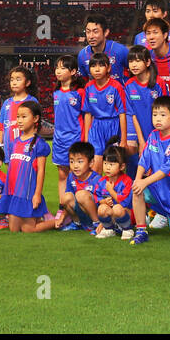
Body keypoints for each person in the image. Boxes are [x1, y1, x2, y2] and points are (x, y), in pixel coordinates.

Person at [129, 96, 170, 245]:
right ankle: (141, 230)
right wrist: (138, 180)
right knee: (137, 190)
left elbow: (166, 169)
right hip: (156, 189)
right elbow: (144, 160)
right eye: (155, 115)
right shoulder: (153, 135)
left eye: (162, 115)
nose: (158, 119)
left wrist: (144, 181)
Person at [0, 102, 56, 232]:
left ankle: (58, 221)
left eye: (24, 117)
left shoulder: (39, 144)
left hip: (28, 193)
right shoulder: (15, 142)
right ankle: (39, 218)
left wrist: (37, 195)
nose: (19, 120)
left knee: (28, 229)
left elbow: (41, 171)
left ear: (35, 119)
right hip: (15, 193)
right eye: (18, 117)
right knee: (13, 229)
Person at [49, 57, 86, 227]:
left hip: (75, 139)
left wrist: (84, 140)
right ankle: (62, 206)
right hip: (59, 141)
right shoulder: (55, 93)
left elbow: (85, 117)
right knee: (62, 175)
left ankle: (77, 210)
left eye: (63, 68)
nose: (58, 71)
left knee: (77, 175)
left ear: (72, 72)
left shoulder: (79, 92)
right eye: (57, 67)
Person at [82, 54, 127, 173]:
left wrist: (123, 139)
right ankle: (96, 191)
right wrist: (86, 137)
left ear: (108, 68)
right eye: (93, 66)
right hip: (96, 127)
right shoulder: (88, 87)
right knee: (95, 167)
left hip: (113, 126)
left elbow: (122, 114)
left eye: (101, 65)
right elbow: (87, 114)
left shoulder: (116, 87)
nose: (97, 69)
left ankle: (111, 191)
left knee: (112, 168)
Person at [89, 145, 135, 239]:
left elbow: (124, 202)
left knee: (117, 208)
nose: (107, 168)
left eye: (111, 164)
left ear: (122, 166)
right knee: (102, 208)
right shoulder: (102, 181)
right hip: (112, 216)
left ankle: (127, 229)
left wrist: (111, 190)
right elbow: (97, 196)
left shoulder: (127, 181)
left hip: (126, 213)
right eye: (105, 163)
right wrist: (103, 201)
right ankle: (109, 229)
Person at [123, 46, 158, 166]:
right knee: (136, 166)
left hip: (157, 131)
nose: (134, 65)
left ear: (148, 62)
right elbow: (132, 115)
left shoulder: (159, 84)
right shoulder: (129, 85)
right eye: (131, 61)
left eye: (138, 61)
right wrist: (141, 140)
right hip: (138, 129)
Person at [59, 141, 104, 231]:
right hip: (82, 214)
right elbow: (68, 198)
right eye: (72, 161)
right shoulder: (71, 177)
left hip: (97, 214)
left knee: (81, 195)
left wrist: (104, 221)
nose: (75, 166)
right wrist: (62, 217)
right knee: (65, 197)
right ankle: (77, 223)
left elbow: (105, 202)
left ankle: (96, 224)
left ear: (91, 163)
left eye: (80, 161)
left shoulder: (97, 179)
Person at [0, 65, 38, 159]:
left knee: (24, 173)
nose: (14, 82)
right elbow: (2, 127)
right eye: (12, 79)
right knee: (11, 173)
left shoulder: (32, 101)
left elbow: (36, 126)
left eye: (18, 79)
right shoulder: (7, 103)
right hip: (8, 149)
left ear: (27, 82)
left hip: (26, 148)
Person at [78, 13, 130, 80]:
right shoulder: (82, 55)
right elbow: (83, 81)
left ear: (106, 32)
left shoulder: (121, 51)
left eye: (95, 32)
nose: (91, 36)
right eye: (88, 32)